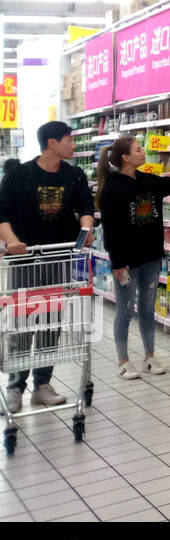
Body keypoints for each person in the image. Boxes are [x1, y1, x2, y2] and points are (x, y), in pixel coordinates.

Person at [0, 121, 95, 410]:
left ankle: (43, 384)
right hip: (25, 260)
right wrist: (12, 241)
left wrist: (86, 230)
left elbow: (86, 208)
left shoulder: (74, 175)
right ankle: (16, 387)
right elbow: (1, 213)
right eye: (69, 139)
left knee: (51, 324)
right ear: (52, 142)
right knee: (22, 323)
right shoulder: (19, 176)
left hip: (59, 258)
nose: (73, 145)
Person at [97, 137, 170, 379]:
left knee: (147, 308)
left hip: (151, 256)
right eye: (138, 149)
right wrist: (117, 262)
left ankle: (149, 356)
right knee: (124, 311)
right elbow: (111, 228)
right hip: (126, 261)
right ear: (125, 157)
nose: (142, 151)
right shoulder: (112, 188)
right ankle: (123, 360)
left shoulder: (146, 180)